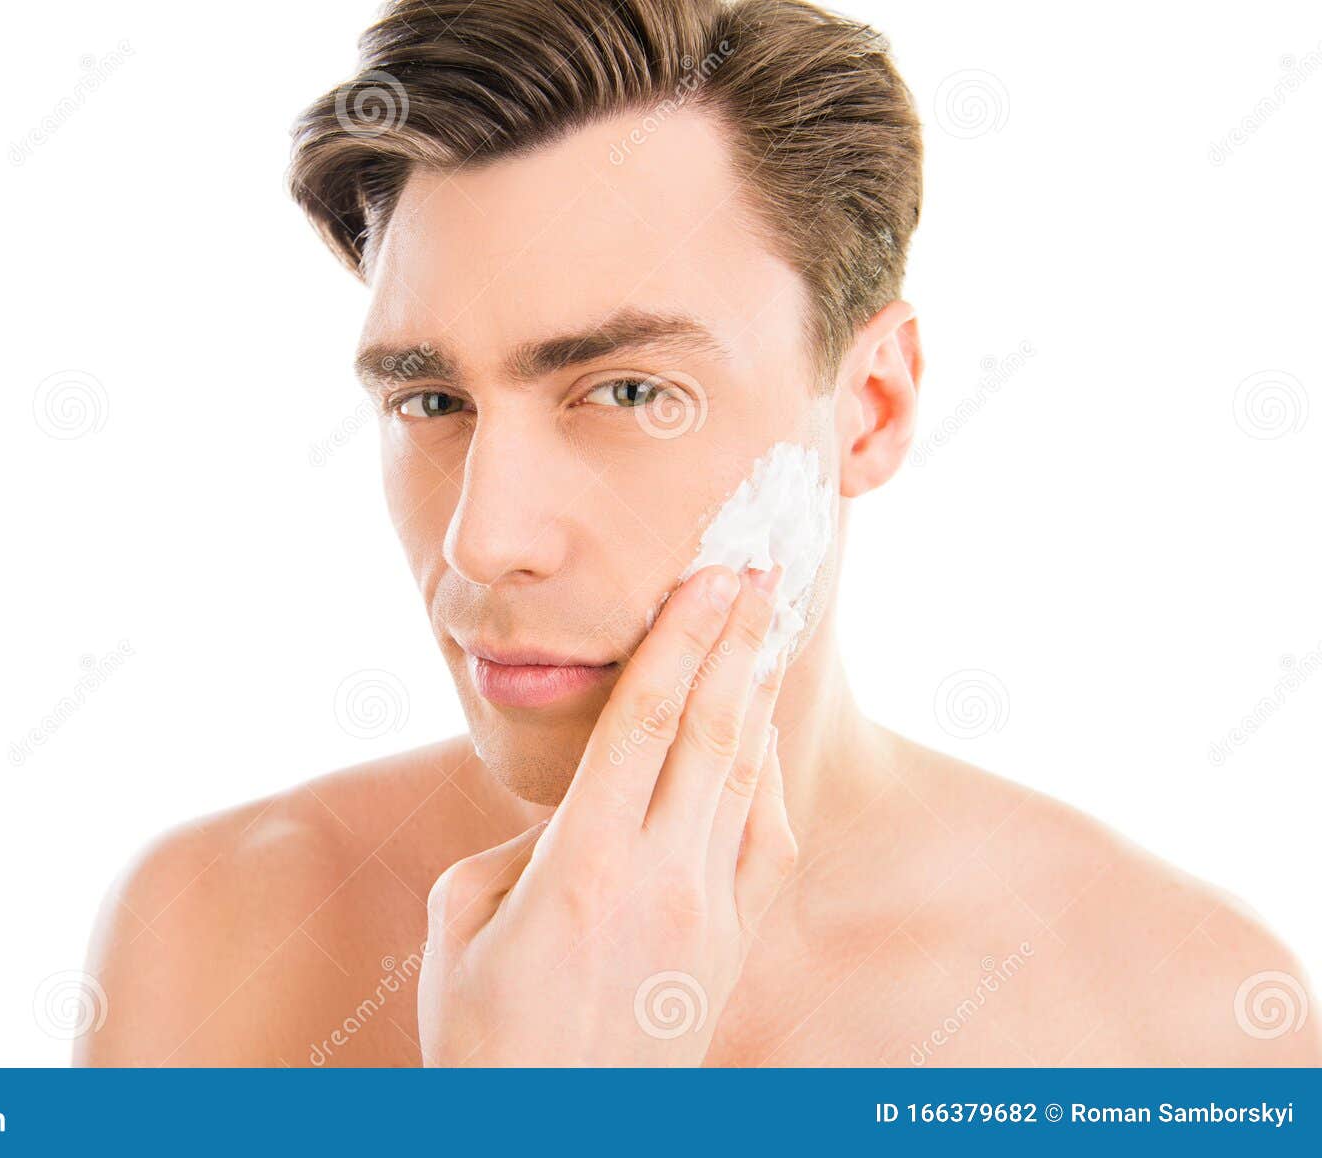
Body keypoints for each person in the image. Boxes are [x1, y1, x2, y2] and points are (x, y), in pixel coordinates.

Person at [78, 0, 1318, 1066]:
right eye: (431, 401)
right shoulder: (220, 932)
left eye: (625, 392)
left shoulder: (1180, 1019)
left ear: (869, 410)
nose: (482, 540)